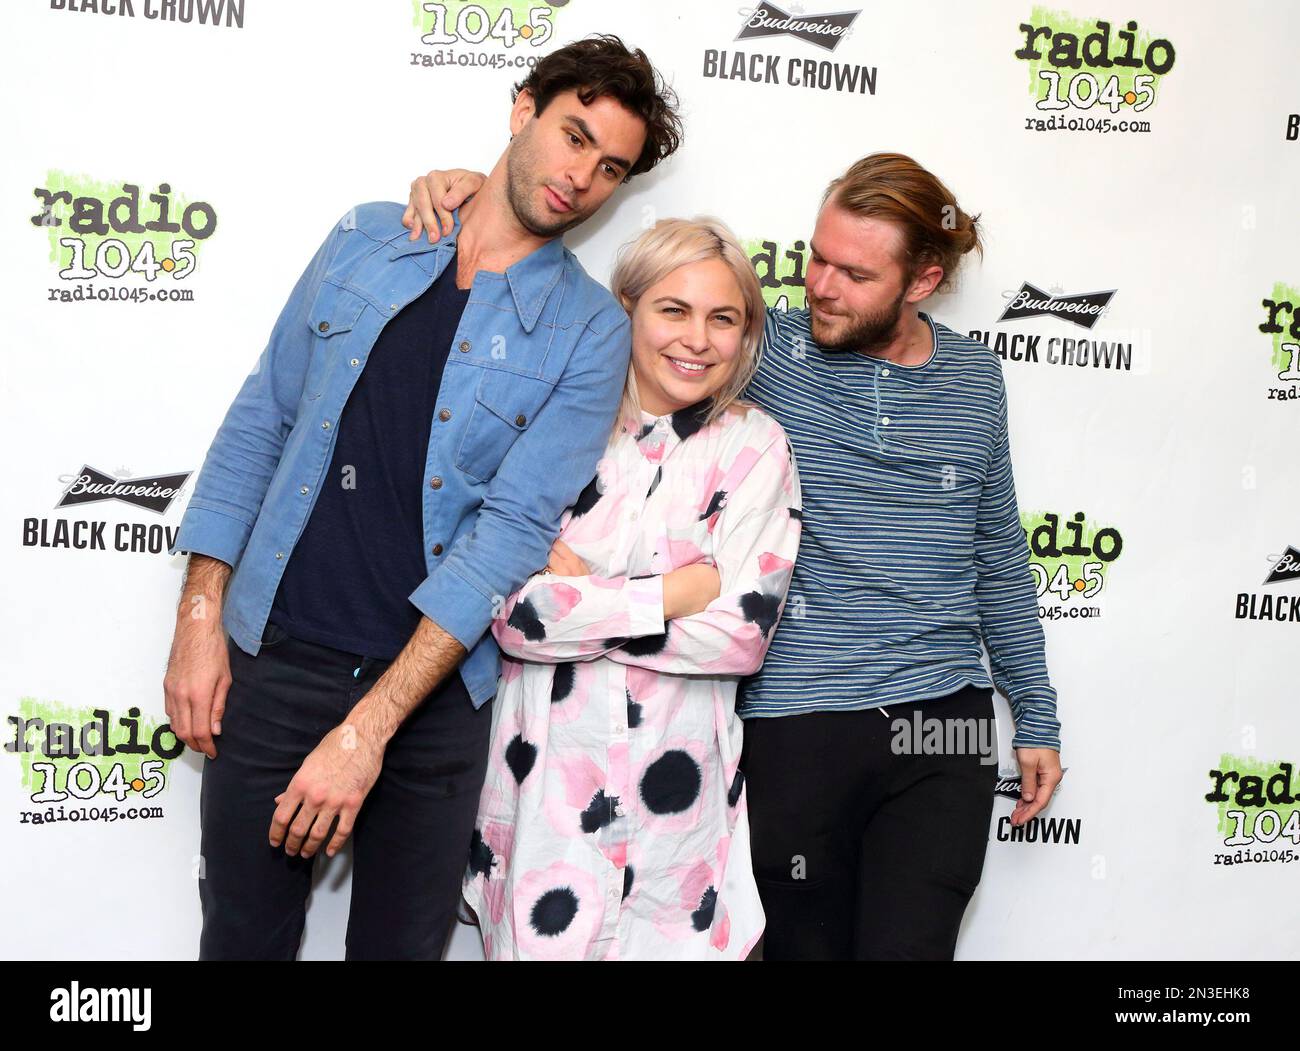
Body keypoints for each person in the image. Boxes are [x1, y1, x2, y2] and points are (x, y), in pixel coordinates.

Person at [404, 152, 1065, 961]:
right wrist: (475, 198)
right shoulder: (761, 346)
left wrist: (1034, 711)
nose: (819, 285)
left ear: (922, 282)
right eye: (817, 257)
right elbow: (660, 311)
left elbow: (997, 550)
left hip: (943, 717)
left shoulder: (975, 380)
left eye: (853, 273)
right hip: (798, 717)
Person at [161, 35, 683, 961]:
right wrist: (200, 615)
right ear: (522, 108)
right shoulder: (368, 236)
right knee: (239, 943)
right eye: (572, 136)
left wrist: (370, 728)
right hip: (274, 659)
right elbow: (262, 422)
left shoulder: (591, 331)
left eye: (610, 168)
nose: (580, 178)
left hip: (429, 701)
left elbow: (509, 532)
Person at [464, 217, 802, 960]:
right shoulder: (554, 428)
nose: (697, 338)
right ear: (627, 309)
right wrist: (679, 591)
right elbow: (513, 615)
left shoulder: (755, 447)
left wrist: (585, 597)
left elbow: (742, 635)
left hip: (681, 841)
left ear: (746, 336)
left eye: (724, 318)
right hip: (542, 810)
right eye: (673, 310)